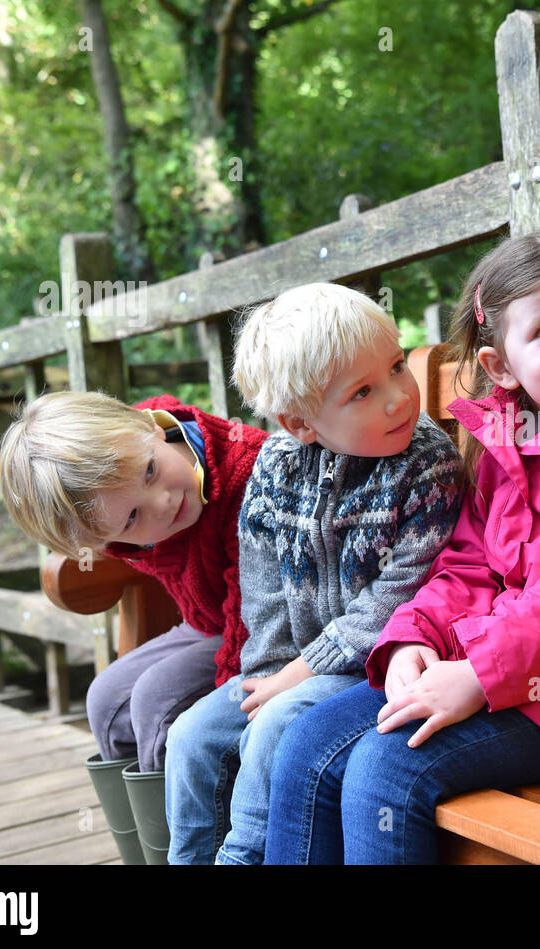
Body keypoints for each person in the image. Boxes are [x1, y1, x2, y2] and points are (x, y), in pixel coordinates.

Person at [262, 232, 540, 864]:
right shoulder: (511, 437)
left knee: (387, 772)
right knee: (307, 740)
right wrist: (413, 639)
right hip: (503, 670)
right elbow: (467, 563)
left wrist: (481, 674)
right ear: (500, 366)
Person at [163, 282, 464, 864]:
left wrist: (294, 680)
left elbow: (398, 600)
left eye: (399, 366)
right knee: (192, 736)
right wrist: (268, 677)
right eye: (363, 392)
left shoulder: (428, 466)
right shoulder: (277, 466)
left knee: (277, 725)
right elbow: (265, 596)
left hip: (375, 669)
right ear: (300, 423)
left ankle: (243, 855)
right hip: (290, 669)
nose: (400, 398)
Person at [0, 388, 267, 863]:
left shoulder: (246, 475)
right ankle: (145, 853)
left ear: (151, 427)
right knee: (105, 699)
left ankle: (197, 845)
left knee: (157, 700)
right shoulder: (118, 472)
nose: (162, 502)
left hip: (262, 628)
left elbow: (253, 621)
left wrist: (225, 709)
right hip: (208, 622)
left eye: (150, 471)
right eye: (132, 518)